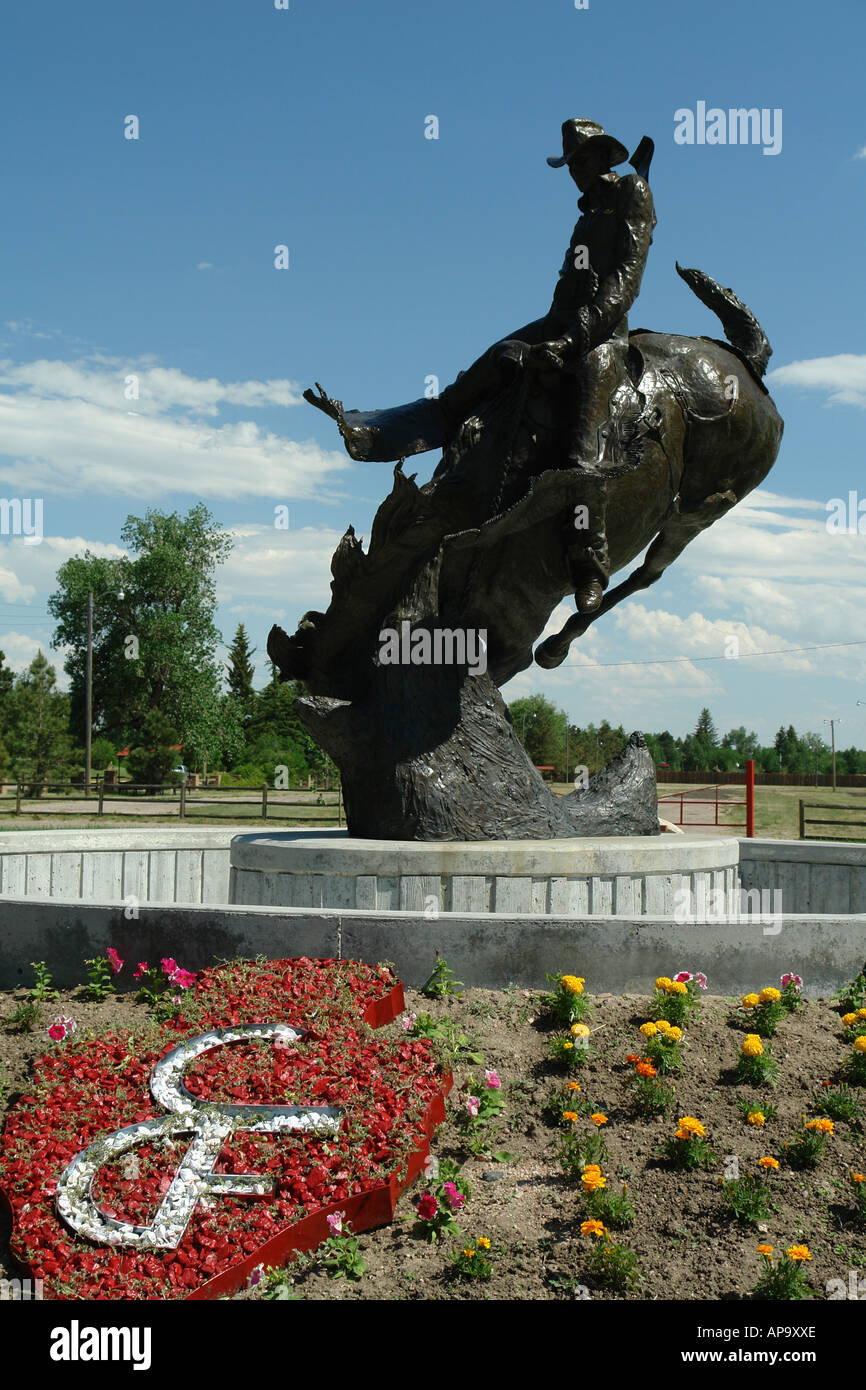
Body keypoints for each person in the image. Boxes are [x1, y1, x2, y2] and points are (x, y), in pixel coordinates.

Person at [435, 119, 656, 612]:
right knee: (484, 370)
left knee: (583, 455)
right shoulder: (586, 213)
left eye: (580, 161)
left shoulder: (632, 193)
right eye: (569, 164)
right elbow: (567, 281)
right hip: (560, 319)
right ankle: (424, 427)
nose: (574, 172)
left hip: (601, 332)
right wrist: (545, 332)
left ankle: (587, 565)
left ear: (603, 157)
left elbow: (625, 280)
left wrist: (575, 338)